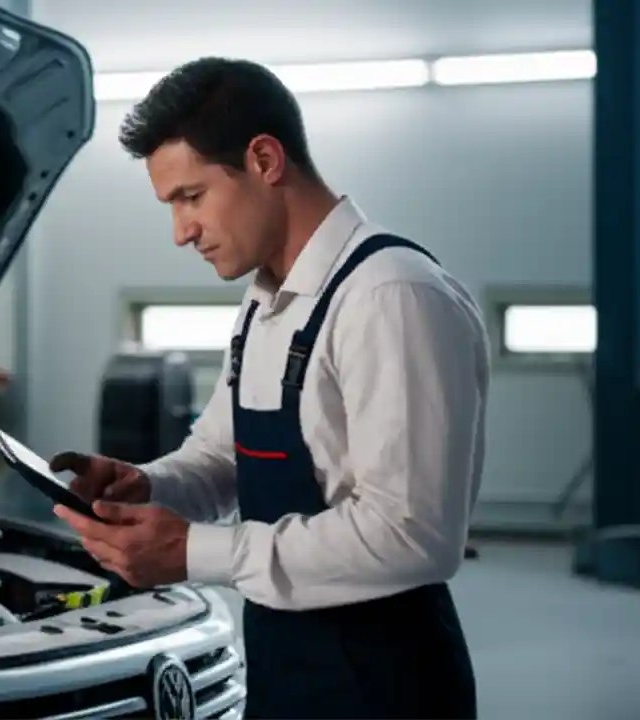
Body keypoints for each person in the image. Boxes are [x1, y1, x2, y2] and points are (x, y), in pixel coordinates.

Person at [50, 57, 488, 719]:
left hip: (384, 682)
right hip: (285, 665)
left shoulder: (391, 295)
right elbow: (221, 458)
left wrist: (191, 551)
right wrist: (146, 485)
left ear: (263, 159)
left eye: (190, 197)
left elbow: (412, 534)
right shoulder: (265, 305)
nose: (180, 233)